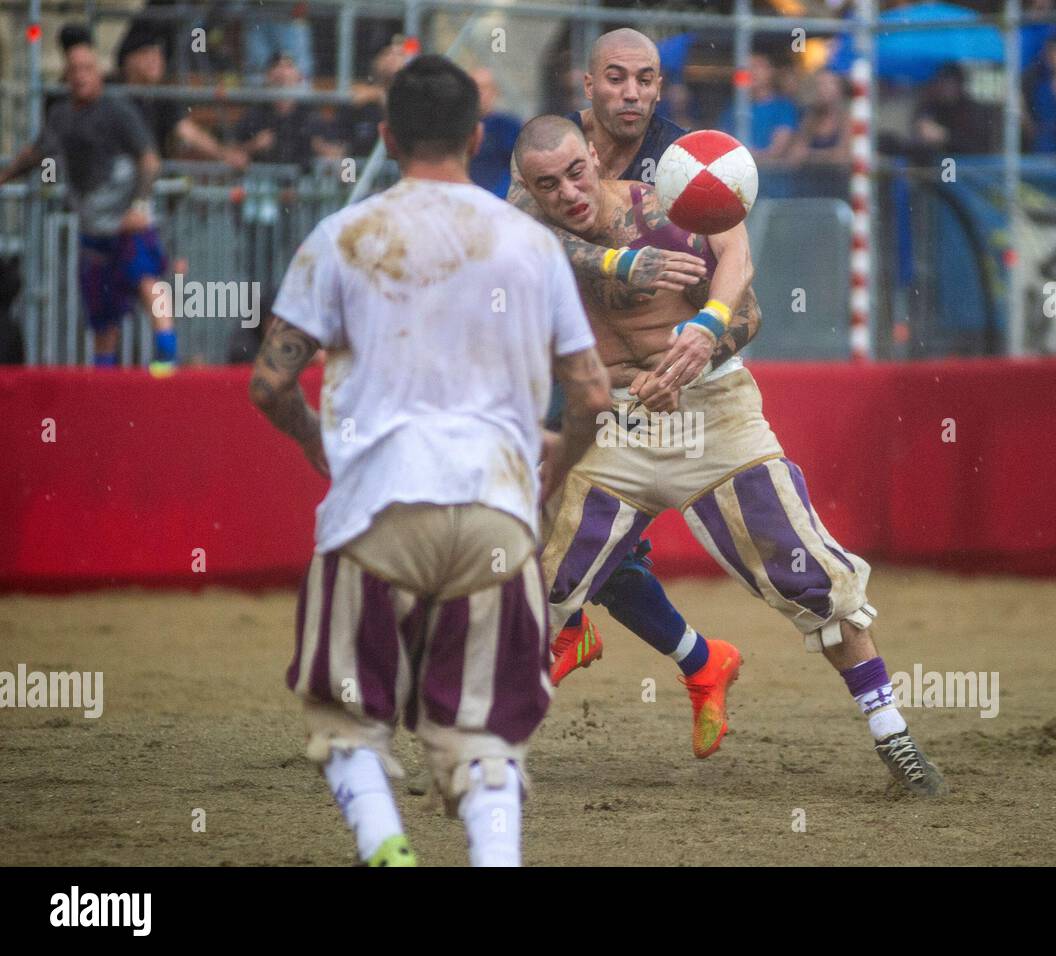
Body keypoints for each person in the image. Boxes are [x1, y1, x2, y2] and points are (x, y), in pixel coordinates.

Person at [515, 115, 948, 796]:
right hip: (611, 424)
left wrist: (705, 334)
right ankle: (486, 754)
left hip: (713, 412)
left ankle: (896, 741)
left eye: (576, 171)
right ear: (527, 188)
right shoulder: (526, 238)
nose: (569, 191)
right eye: (548, 183)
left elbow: (742, 289)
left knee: (818, 581)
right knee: (534, 587)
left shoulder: (661, 209)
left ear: (594, 155)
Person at [249, 55, 611, 867]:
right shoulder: (529, 243)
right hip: (495, 516)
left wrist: (323, 448)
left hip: (378, 507)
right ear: (479, 137)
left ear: (386, 136)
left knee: (347, 719)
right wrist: (550, 475)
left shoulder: (344, 235)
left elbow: (271, 384)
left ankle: (385, 847)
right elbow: (590, 392)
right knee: (485, 736)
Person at [509, 28, 752, 760]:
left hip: (650, 391)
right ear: (588, 86)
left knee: (588, 544)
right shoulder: (552, 150)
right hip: (566, 365)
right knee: (554, 529)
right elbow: (519, 238)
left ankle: (684, 656)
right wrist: (620, 260)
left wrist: (693, 353)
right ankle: (696, 660)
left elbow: (747, 305)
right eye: (616, 78)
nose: (632, 93)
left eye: (646, 79)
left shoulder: (686, 166)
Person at [0, 25, 177, 371]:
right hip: (94, 223)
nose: (81, 77)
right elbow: (35, 154)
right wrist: (4, 177)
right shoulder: (62, 116)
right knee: (101, 304)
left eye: (87, 69)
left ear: (98, 72)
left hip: (127, 215)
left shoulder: (118, 110)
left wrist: (140, 204)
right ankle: (104, 372)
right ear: (67, 75)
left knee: (146, 279)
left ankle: (167, 352)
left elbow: (150, 160)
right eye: (75, 70)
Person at [117, 28, 248, 168]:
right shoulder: (113, 96)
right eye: (146, 53)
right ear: (128, 60)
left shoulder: (161, 96)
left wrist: (224, 154)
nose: (155, 59)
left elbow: (186, 130)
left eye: (158, 53)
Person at [234, 53, 338, 168]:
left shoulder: (312, 114)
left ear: (299, 77)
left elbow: (343, 155)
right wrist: (253, 146)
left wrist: (324, 149)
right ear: (268, 76)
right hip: (265, 180)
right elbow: (231, 152)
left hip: (305, 181)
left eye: (288, 66)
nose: (282, 72)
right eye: (277, 66)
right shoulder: (255, 113)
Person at [720, 51, 801, 166]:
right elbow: (722, 147)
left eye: (758, 66)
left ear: (771, 71)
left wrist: (742, 156)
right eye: (748, 67)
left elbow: (777, 151)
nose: (752, 72)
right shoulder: (735, 107)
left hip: (773, 178)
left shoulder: (784, 107)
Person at [469, 67, 523, 198]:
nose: (479, 93)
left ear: (495, 91)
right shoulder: (457, 127)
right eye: (474, 87)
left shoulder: (510, 126)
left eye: (484, 87)